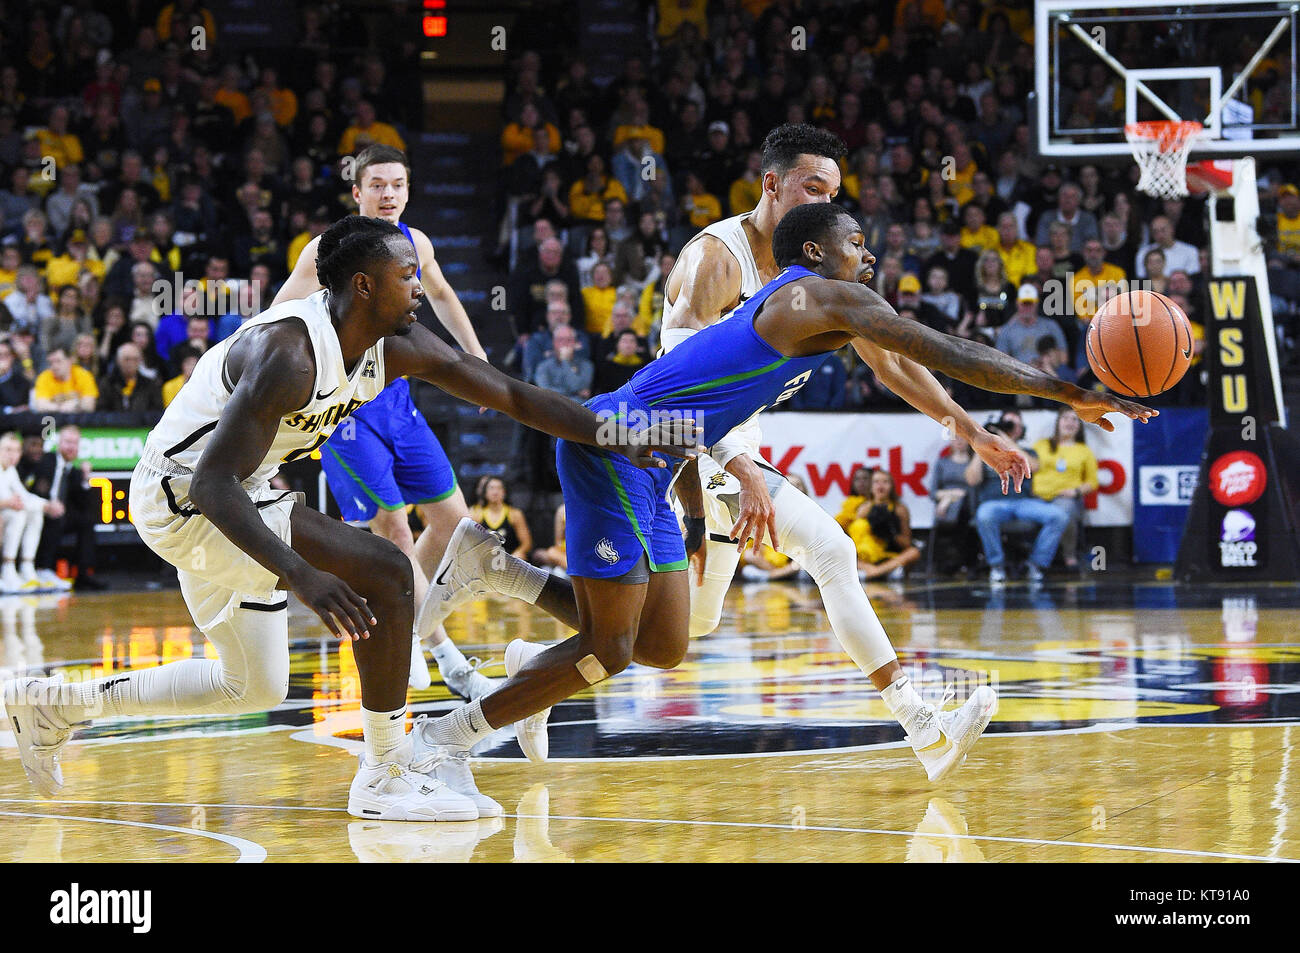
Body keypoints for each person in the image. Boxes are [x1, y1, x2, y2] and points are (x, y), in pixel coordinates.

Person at [417, 202, 1154, 790]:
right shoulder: (815, 295)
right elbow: (945, 349)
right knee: (609, 648)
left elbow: (898, 363)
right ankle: (442, 743)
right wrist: (1065, 389)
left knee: (666, 642)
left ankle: (501, 573)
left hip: (665, 458)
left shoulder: (816, 308)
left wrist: (966, 425)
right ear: (815, 253)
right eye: (857, 241)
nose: (869, 255)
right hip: (618, 444)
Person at [3, 215, 693, 818]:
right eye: (407, 273)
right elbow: (214, 484)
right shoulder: (289, 353)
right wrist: (303, 574)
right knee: (388, 571)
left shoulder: (399, 343)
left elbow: (508, 391)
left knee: (253, 684)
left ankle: (56, 704)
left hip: (235, 493)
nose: (420, 286)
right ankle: (389, 769)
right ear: (363, 285)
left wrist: (614, 432)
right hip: (189, 498)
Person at [273, 145, 501, 698]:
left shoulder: (416, 244)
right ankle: (447, 655)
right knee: (395, 530)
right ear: (357, 193)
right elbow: (278, 316)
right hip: (346, 410)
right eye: (377, 184)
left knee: (453, 521)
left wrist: (475, 357)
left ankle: (410, 628)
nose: (389, 194)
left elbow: (442, 293)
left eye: (398, 184)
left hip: (399, 401)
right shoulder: (328, 251)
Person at [967, 421, 1067, 585]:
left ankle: (1035, 564)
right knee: (984, 515)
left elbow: (1034, 466)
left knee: (1059, 516)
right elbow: (971, 480)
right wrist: (981, 447)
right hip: (994, 503)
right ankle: (996, 565)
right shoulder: (982, 455)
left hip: (1024, 502)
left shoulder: (1026, 451)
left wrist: (1007, 441)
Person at [22, 424, 99, 590]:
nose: (71, 447)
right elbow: (30, 487)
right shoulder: (44, 460)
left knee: (86, 521)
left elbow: (85, 505)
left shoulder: (75, 472)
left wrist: (86, 479)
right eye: (68, 442)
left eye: (75, 443)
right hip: (38, 511)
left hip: (59, 517)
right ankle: (44, 568)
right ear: (59, 442)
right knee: (55, 515)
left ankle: (83, 574)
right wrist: (47, 504)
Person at [1030, 408, 1098, 571]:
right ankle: (1039, 559)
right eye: (1065, 418)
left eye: (1075, 420)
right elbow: (1030, 467)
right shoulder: (1042, 445)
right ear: (1058, 423)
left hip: (1065, 497)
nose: (1070, 422)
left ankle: (1066, 556)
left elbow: (1092, 481)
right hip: (1038, 496)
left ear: (1079, 426)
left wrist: (1075, 492)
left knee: (1064, 512)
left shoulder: (1084, 451)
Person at [0, 433, 65, 593]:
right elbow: (11, 501)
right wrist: (7, 503)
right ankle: (7, 567)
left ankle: (26, 567)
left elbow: (24, 497)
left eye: (16, 450)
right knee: (18, 514)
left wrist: (46, 505)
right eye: (7, 449)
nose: (11, 454)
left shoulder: (10, 471)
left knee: (34, 513)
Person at [838, 468, 922, 580]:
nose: (880, 485)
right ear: (871, 486)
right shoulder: (862, 508)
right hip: (865, 557)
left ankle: (876, 572)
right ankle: (877, 571)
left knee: (914, 552)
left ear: (891, 486)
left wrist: (891, 535)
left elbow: (907, 543)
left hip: (889, 556)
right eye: (876, 482)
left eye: (885, 482)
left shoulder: (899, 509)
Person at [470, 477, 531, 560]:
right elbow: (469, 542)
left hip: (510, 558)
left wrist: (519, 552)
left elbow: (526, 543)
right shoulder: (476, 514)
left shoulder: (514, 514)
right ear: (485, 493)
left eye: (499, 488)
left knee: (521, 556)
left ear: (504, 492)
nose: (495, 492)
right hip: (484, 559)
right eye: (491, 488)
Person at [31, 347, 98, 413]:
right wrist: (61, 408)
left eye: (58, 361)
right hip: (54, 420)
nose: (54, 366)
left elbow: (89, 406)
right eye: (50, 363)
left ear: (70, 360)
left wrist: (75, 405)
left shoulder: (83, 375)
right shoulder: (44, 377)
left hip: (78, 419)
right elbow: (41, 406)